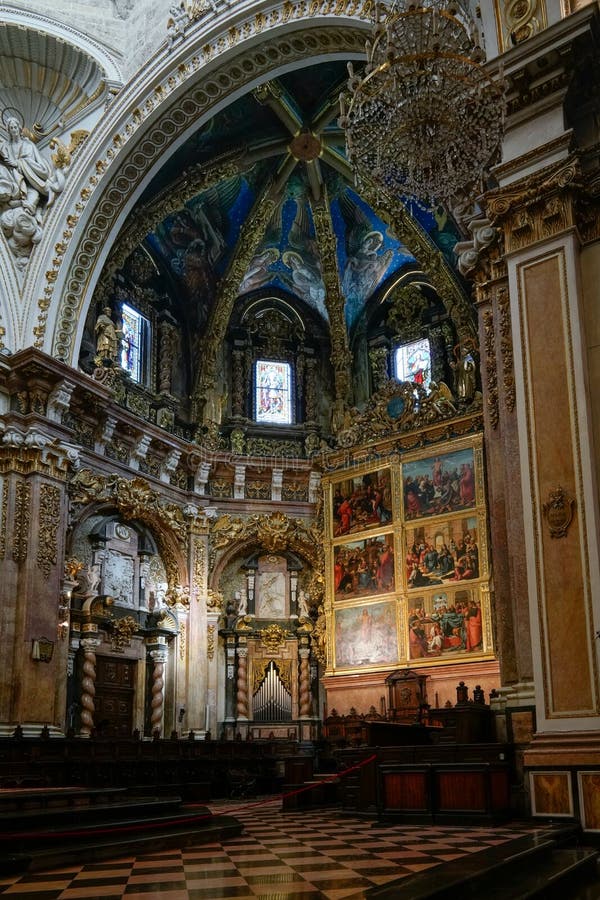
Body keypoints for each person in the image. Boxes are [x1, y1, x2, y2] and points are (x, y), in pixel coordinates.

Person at [0, 115, 59, 215]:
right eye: (11, 128)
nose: (14, 130)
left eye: (15, 127)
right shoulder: (6, 146)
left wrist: (18, 163)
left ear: (19, 128)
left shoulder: (28, 144)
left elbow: (34, 161)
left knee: (32, 193)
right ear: (9, 131)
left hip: (29, 174)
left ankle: (43, 191)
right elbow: (5, 160)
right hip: (14, 175)